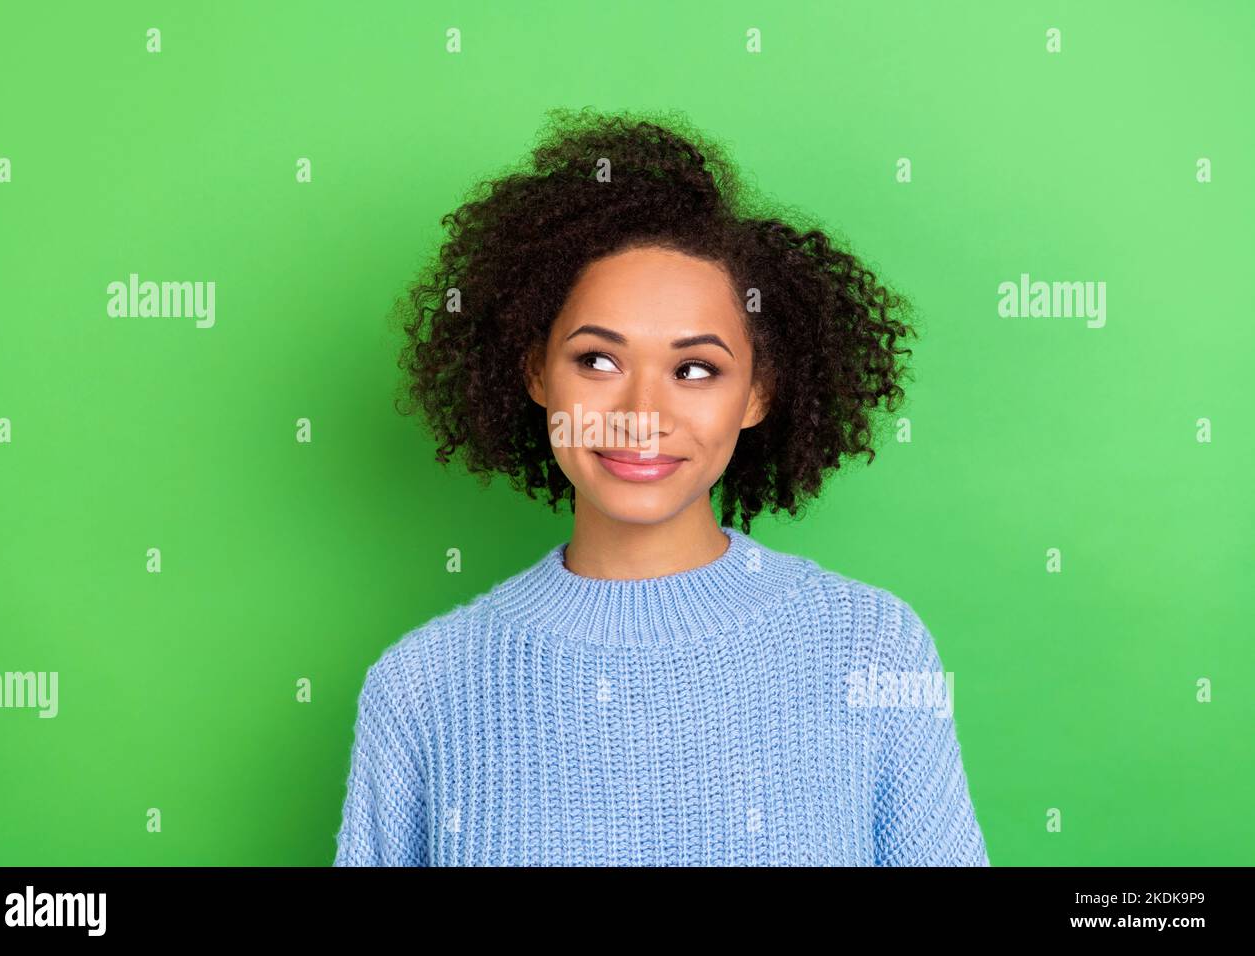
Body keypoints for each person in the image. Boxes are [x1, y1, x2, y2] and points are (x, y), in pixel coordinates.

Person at [334, 108, 989, 866]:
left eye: (696, 370)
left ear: (757, 394)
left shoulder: (876, 650)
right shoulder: (419, 688)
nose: (642, 414)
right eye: (599, 362)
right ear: (535, 373)